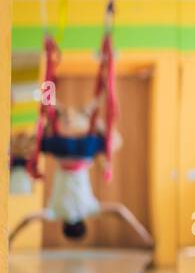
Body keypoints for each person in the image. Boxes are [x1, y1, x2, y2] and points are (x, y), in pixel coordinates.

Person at [9, 104, 153, 248]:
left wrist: (144, 234)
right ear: (64, 226)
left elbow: (120, 210)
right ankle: (52, 117)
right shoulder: (55, 212)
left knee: (115, 142)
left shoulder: (89, 209)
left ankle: (91, 118)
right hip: (60, 149)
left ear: (83, 222)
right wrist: (10, 239)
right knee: (35, 144)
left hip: (85, 151)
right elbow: (28, 219)